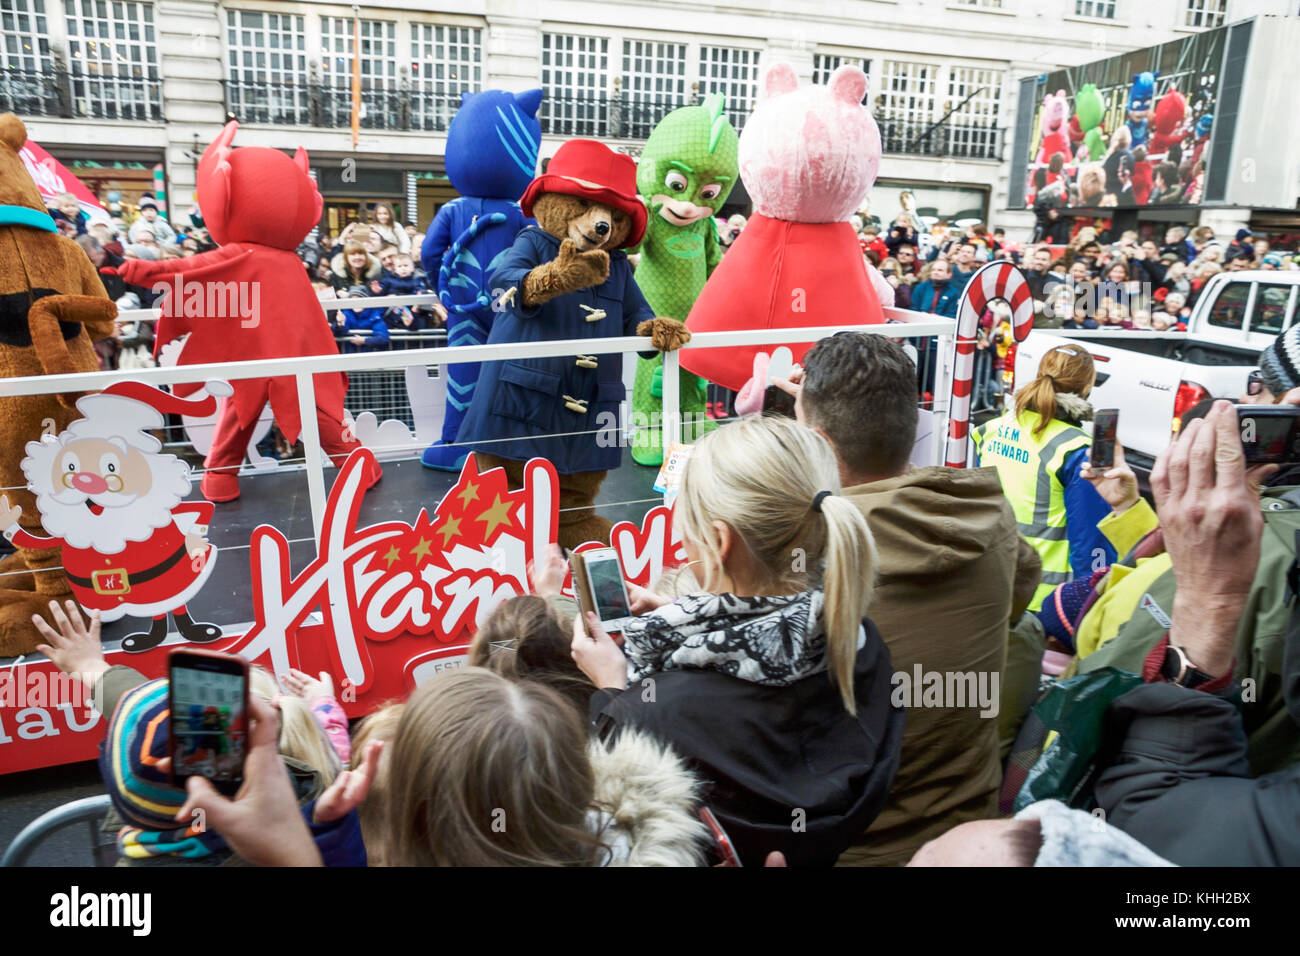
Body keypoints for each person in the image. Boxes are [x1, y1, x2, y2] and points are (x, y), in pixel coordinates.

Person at [570, 415, 904, 867]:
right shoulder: (861, 646)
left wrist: (612, 693)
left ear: (719, 540)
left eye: (686, 521)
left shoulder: (651, 717)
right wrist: (684, 614)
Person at [774, 333, 1018, 867]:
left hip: (847, 851)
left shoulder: (799, 564)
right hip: (969, 836)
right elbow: (1016, 607)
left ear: (816, 442)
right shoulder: (993, 517)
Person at [1090, 401, 1300, 865]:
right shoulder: (1247, 539)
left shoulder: (1255, 557)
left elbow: (1100, 705)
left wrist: (1208, 600)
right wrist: (1130, 509)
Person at [972, 344, 1115, 611]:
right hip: (1044, 604)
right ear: (1086, 389)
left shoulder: (993, 429)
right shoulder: (1080, 450)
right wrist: (1093, 606)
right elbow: (1091, 542)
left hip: (990, 584)